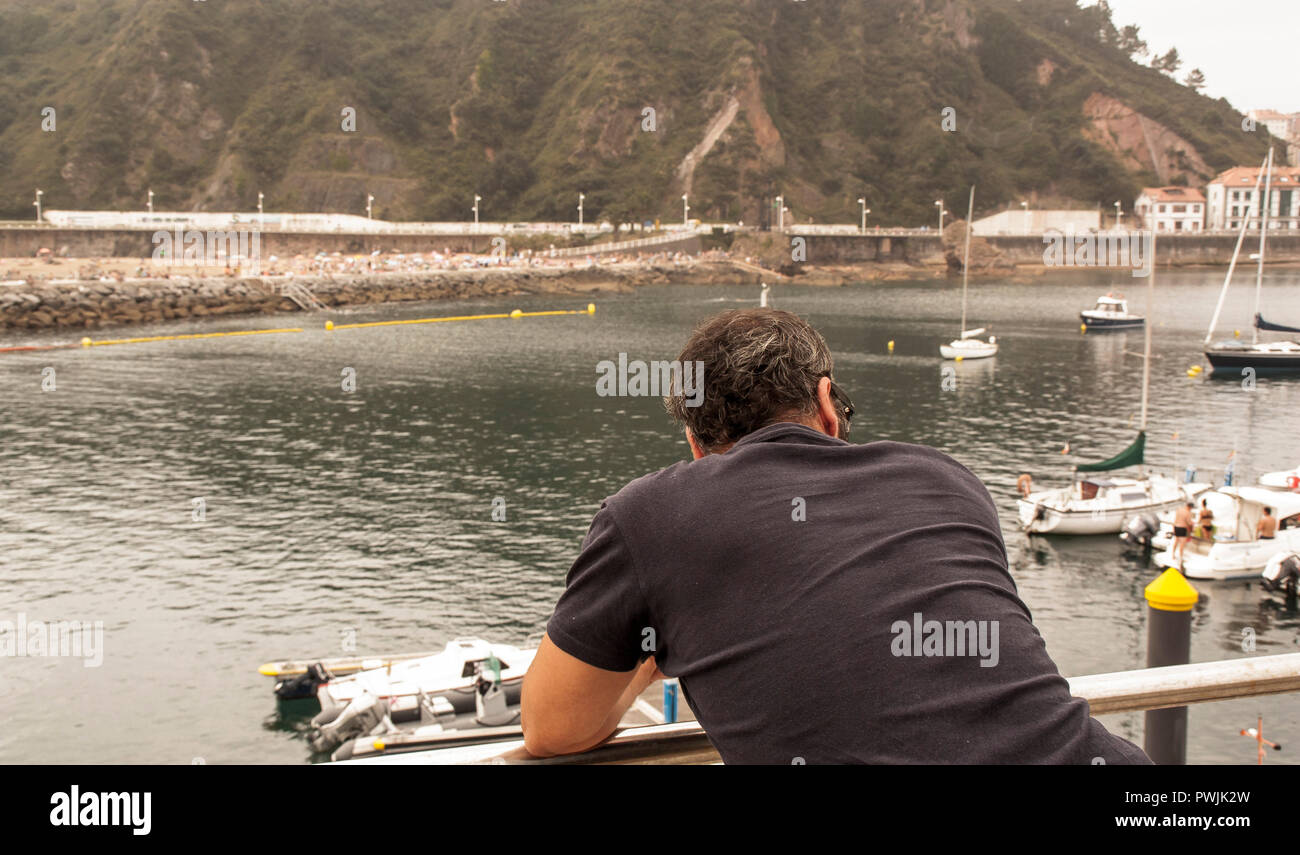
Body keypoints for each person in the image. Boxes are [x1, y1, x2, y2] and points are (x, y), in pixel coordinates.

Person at [521, 308, 1150, 764]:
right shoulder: (946, 477)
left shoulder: (647, 515)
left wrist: (657, 655)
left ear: (693, 444)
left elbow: (550, 730)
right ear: (828, 405)